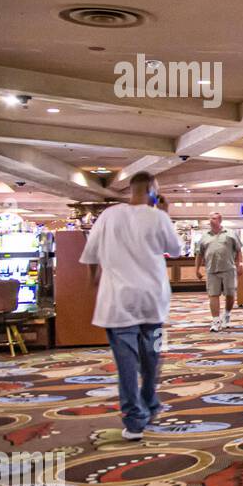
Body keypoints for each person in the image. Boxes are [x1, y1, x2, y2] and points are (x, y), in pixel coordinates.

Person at [80, 172, 184, 440]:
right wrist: (163, 213)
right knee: (152, 358)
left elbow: (90, 255)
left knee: (126, 364)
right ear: (152, 190)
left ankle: (134, 420)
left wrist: (93, 282)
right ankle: (150, 403)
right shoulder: (158, 216)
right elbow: (176, 250)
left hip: (117, 302)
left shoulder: (108, 215)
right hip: (153, 300)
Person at [195, 212, 243, 332]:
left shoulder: (230, 234)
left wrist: (240, 264)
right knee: (213, 295)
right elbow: (199, 254)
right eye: (210, 218)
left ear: (220, 220)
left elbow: (238, 251)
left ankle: (226, 314)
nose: (212, 220)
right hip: (211, 269)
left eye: (214, 218)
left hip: (229, 269)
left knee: (230, 294)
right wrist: (196, 269)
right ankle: (215, 320)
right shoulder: (204, 236)